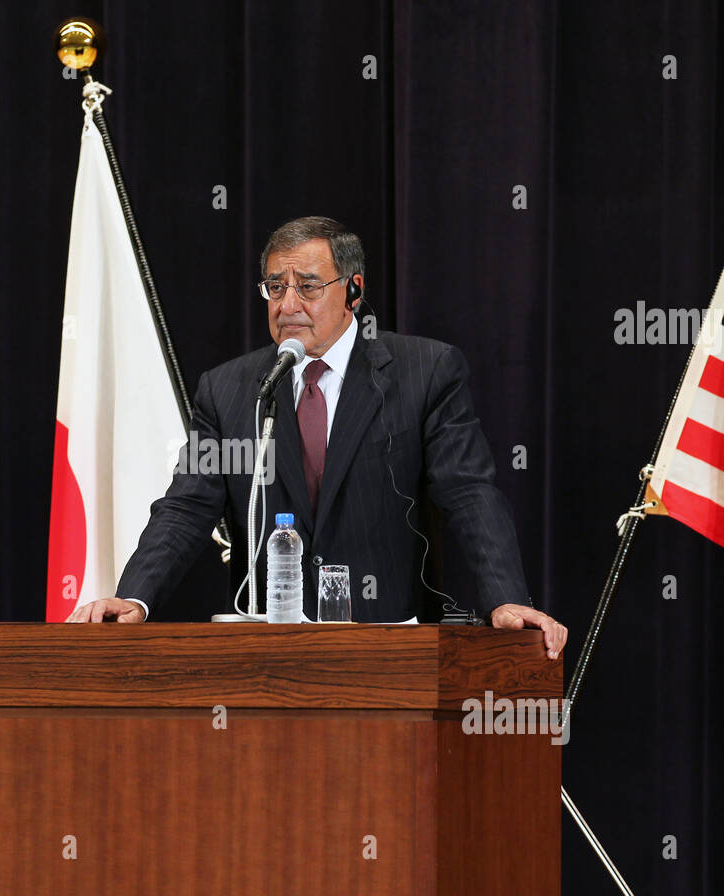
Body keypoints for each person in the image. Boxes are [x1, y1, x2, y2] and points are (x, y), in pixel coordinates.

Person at [68, 216, 567, 658]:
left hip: (388, 646)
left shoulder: (425, 371)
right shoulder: (228, 389)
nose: (287, 304)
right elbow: (187, 507)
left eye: (307, 286)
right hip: (267, 653)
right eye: (274, 287)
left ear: (353, 289)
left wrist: (507, 598)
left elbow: (468, 492)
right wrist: (134, 597)